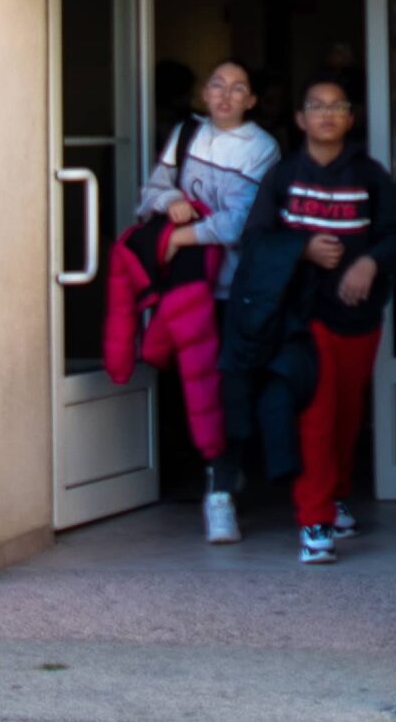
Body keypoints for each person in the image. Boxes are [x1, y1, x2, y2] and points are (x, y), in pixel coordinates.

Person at [241, 74, 396, 566]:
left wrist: (370, 261)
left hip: (359, 316)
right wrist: (303, 248)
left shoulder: (371, 175)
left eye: (338, 106)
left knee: (347, 415)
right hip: (301, 318)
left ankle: (334, 495)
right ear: (300, 118)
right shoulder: (283, 177)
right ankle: (314, 522)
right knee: (314, 415)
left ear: (350, 118)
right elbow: (255, 240)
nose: (327, 114)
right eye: (317, 105)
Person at [135, 58, 280, 544]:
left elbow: (240, 222)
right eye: (216, 84)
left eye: (238, 88)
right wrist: (166, 201)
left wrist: (183, 236)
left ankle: (221, 489)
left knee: (228, 387)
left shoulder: (261, 147)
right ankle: (215, 472)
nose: (225, 95)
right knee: (189, 383)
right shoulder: (185, 135)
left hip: (234, 289)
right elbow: (150, 191)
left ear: (253, 100)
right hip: (186, 285)